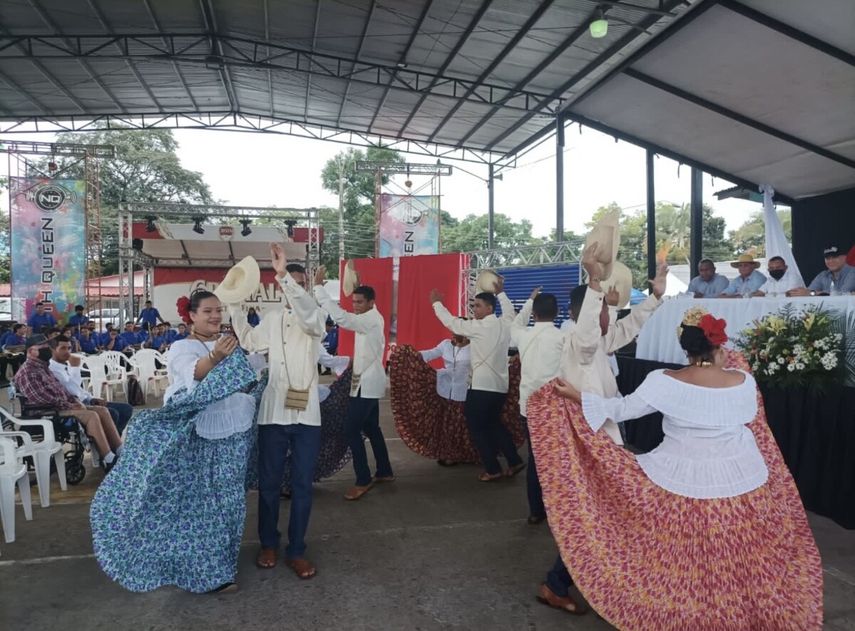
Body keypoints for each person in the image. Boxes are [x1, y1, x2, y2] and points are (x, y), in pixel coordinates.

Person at [530, 307, 823, 629]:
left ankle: (675, 605)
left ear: (685, 348)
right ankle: (736, 610)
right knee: (738, 556)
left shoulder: (664, 382)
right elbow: (746, 419)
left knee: (632, 531)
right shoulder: (744, 382)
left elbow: (622, 410)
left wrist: (576, 396)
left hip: (677, 479)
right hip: (743, 482)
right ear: (718, 345)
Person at [91, 289, 260, 594]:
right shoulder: (183, 346)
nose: (215, 316)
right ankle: (211, 573)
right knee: (203, 501)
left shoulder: (228, 343)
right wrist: (216, 356)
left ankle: (223, 561)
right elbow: (193, 374)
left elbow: (246, 376)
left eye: (218, 310)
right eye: (208, 311)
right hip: (200, 432)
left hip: (234, 428)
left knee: (231, 499)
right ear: (191, 316)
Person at [534, 242, 667, 614]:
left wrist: (654, 298)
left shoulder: (599, 340)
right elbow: (594, 333)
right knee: (590, 516)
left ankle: (573, 579)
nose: (611, 315)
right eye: (605, 309)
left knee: (596, 515)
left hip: (604, 441)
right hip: (590, 446)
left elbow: (625, 329)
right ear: (584, 312)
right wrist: (594, 282)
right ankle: (557, 582)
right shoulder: (580, 341)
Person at [229, 246, 326, 579]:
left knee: (301, 485)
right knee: (269, 485)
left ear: (304, 288)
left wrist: (284, 277)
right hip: (273, 412)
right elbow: (249, 341)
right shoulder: (271, 320)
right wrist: (233, 303)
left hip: (307, 416)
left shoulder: (315, 315)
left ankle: (297, 549)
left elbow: (307, 315)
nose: (292, 290)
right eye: (289, 283)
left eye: (299, 284)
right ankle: (268, 543)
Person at [431, 277, 524, 482]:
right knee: (493, 424)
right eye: (474, 306)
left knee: (476, 427)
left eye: (478, 306)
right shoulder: (505, 323)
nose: (475, 310)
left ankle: (492, 468)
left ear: (490, 309)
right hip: (500, 387)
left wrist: (436, 303)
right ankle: (514, 460)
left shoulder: (478, 327)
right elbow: (509, 312)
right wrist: (501, 293)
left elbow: (451, 322)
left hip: (481, 387)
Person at [314, 268, 395, 500]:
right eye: (354, 301)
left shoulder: (367, 319)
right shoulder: (372, 315)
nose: (355, 305)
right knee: (372, 429)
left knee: (351, 430)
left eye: (360, 302)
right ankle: (385, 470)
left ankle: (363, 479)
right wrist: (358, 283)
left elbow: (341, 318)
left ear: (371, 302)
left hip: (367, 385)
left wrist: (319, 289)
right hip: (366, 383)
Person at [14, 334, 122, 470]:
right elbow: (40, 398)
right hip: (45, 412)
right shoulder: (28, 371)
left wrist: (74, 400)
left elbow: (62, 391)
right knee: (91, 416)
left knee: (102, 410)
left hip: (59, 407)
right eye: (43, 348)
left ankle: (119, 450)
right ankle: (108, 458)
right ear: (31, 351)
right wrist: (70, 405)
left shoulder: (43, 367)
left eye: (48, 347)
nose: (48, 350)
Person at [511, 289, 564, 525]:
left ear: (534, 314)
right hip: (554, 407)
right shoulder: (563, 338)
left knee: (535, 458)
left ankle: (536, 510)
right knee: (557, 459)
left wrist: (529, 299)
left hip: (529, 406)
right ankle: (559, 508)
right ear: (558, 313)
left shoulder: (523, 335)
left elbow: (515, 322)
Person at [48, 335, 133, 435]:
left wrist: (91, 398)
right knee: (112, 413)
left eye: (69, 348)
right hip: (74, 405)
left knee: (126, 409)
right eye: (63, 348)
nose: (67, 351)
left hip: (85, 400)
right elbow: (71, 390)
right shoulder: (52, 369)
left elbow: (79, 388)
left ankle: (114, 441)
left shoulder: (66, 364)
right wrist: (75, 368)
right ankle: (107, 443)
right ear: (53, 350)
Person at [789, 244, 855, 296]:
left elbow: (842, 294)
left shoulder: (852, 272)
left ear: (845, 257)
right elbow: (809, 291)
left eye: (835, 257)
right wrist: (798, 293)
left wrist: (812, 294)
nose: (831, 261)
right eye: (827, 258)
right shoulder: (823, 275)